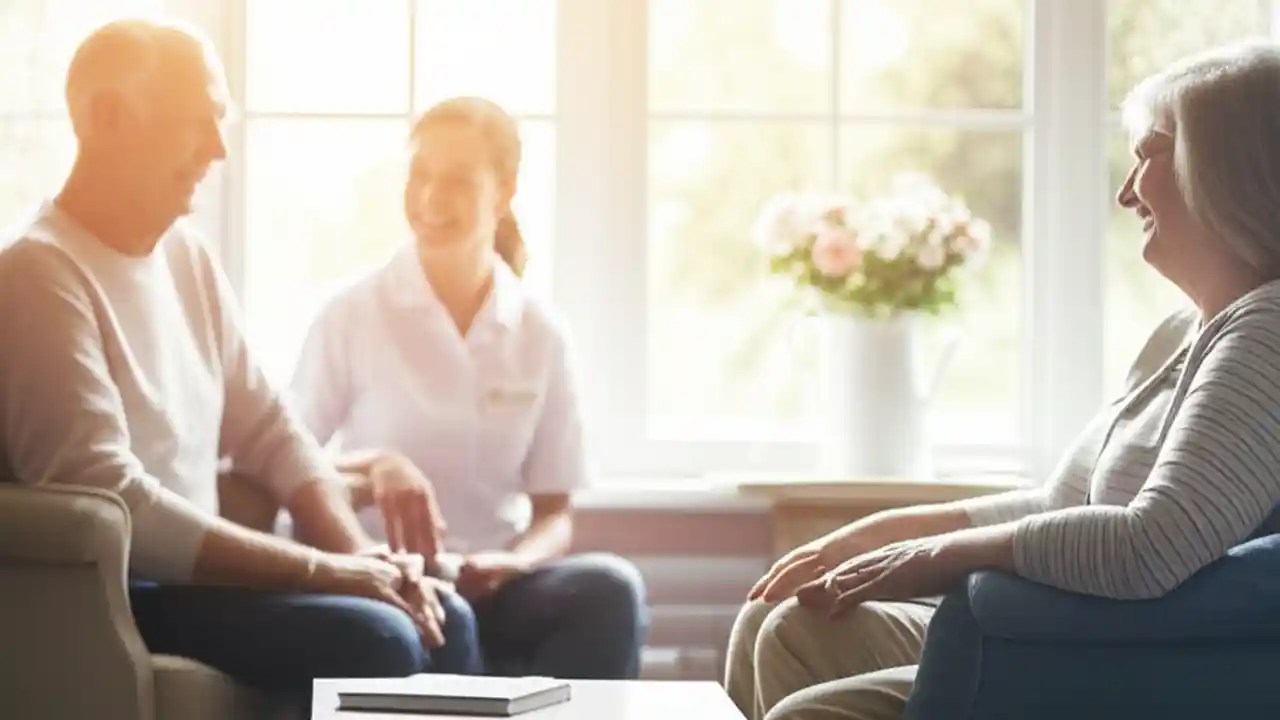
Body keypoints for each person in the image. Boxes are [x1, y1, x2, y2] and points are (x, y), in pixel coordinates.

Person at [725, 40, 1280, 720]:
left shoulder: (1269, 332)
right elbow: (1060, 502)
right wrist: (869, 539)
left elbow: (1154, 546)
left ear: (1225, 168)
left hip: (1110, 663)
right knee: (785, 621)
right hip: (1065, 641)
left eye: (1150, 152)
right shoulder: (1185, 329)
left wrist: (940, 557)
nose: (1126, 189)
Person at [0, 18, 484, 696]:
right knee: (381, 638)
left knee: (444, 615)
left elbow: (272, 431)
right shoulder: (37, 275)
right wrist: (325, 572)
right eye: (195, 122)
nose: (218, 149)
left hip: (204, 589)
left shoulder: (185, 255)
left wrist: (365, 559)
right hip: (133, 594)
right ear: (104, 117)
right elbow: (115, 502)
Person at [289, 96, 648, 679]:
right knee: (446, 616)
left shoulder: (539, 332)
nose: (431, 199)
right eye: (420, 177)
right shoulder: (350, 314)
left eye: (456, 180)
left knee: (612, 590)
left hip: (493, 582)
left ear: (504, 193)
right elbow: (292, 470)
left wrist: (513, 562)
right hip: (390, 581)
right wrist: (375, 466)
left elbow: (555, 511)